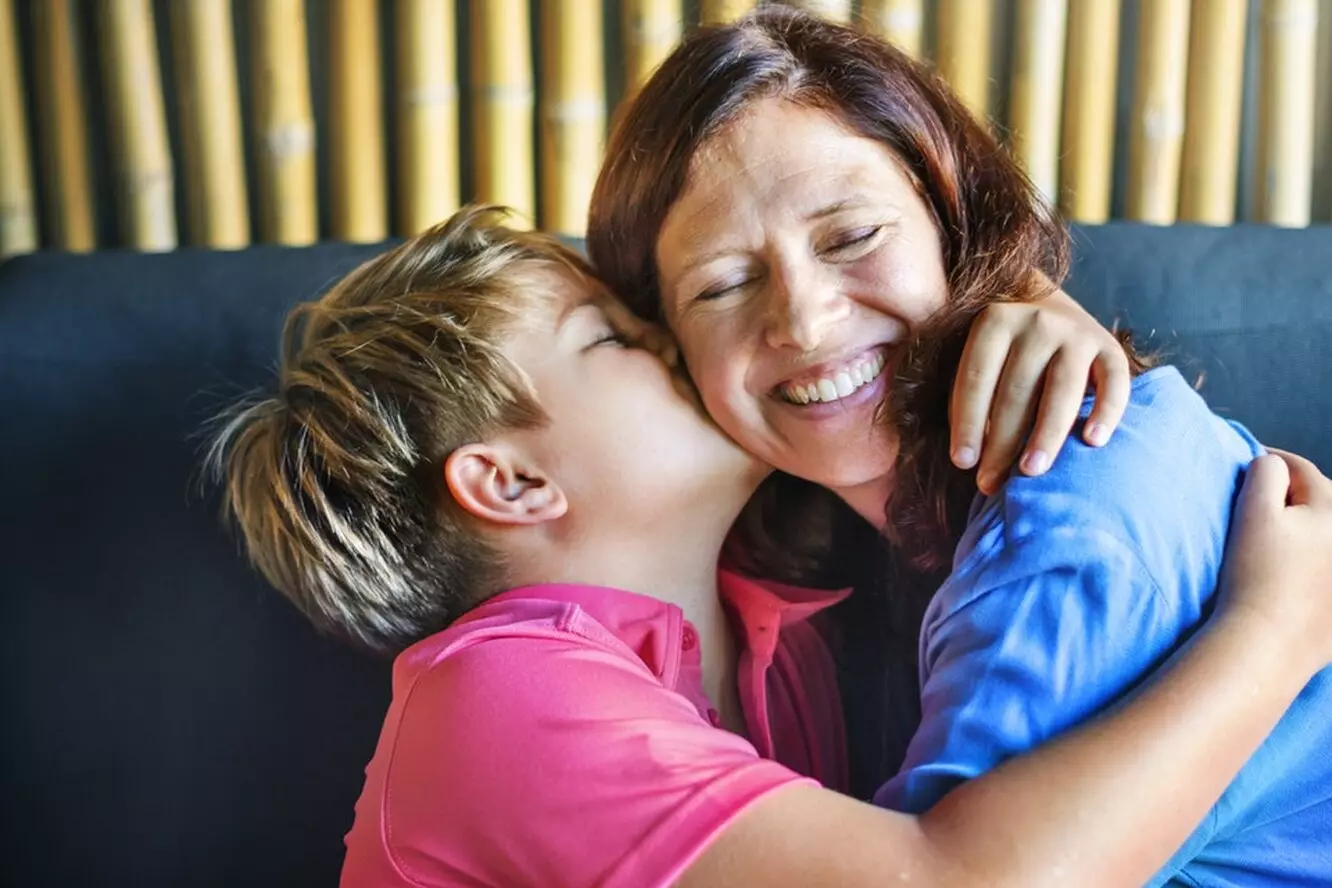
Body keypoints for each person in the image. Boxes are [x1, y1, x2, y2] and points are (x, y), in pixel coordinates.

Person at [209, 207, 1332, 888]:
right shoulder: (499, 698)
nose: (686, 346)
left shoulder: (771, 620)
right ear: (510, 482)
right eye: (615, 339)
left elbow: (875, 373)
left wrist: (1028, 308)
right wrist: (1276, 631)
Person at [586, 7, 1332, 886]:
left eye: (853, 236)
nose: (803, 318)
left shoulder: (1065, 519)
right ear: (665, 340)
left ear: (954, 222)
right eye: (724, 284)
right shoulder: (821, 532)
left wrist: (1274, 631)